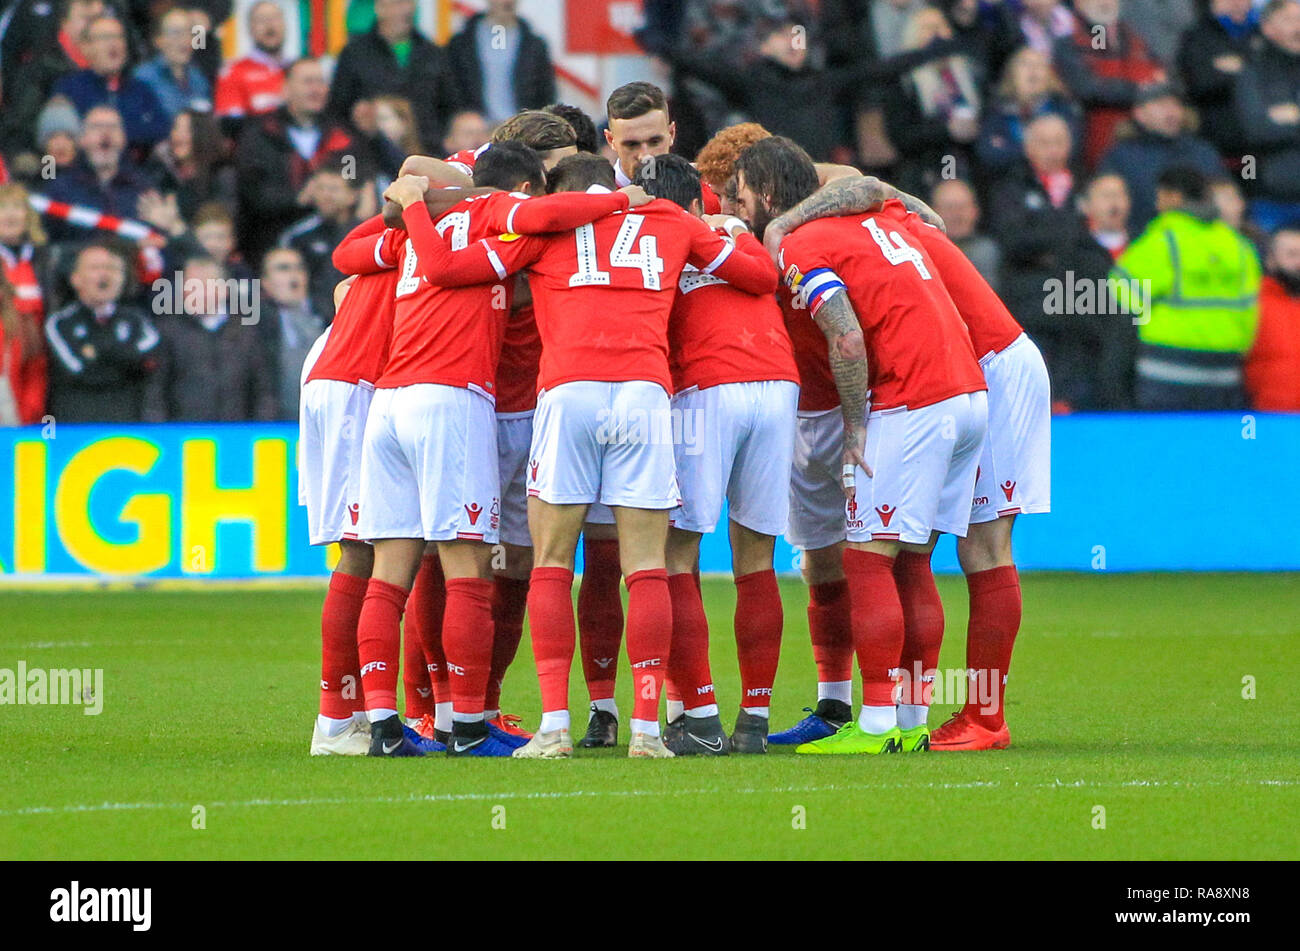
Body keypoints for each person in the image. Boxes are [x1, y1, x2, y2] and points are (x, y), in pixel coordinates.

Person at [408, 151, 779, 759]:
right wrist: (731, 228)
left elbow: (447, 270)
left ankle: (555, 727)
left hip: (570, 391)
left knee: (553, 562)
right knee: (646, 568)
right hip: (644, 392)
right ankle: (645, 731)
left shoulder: (546, 228)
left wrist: (416, 207)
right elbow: (759, 280)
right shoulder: (671, 221)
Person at [353, 148, 653, 758]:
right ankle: (467, 727)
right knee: (468, 573)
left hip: (388, 403)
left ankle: (382, 725)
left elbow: (349, 254)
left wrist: (409, 203)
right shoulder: (493, 210)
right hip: (452, 399)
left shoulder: (417, 231)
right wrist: (623, 200)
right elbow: (552, 216)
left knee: (388, 577)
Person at [761, 170, 1053, 751]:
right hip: (973, 365)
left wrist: (787, 224)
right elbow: (905, 203)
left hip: (983, 361)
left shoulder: (826, 235)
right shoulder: (885, 218)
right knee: (911, 556)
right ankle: (919, 717)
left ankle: (980, 718)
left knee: (976, 547)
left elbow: (864, 184)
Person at [736, 135, 987, 754]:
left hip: (913, 398)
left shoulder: (797, 245)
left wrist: (855, 427)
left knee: (865, 559)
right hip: (968, 392)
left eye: (741, 198)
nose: (738, 211)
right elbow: (867, 185)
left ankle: (873, 727)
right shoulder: (866, 218)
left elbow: (845, 338)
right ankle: (909, 719)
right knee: (911, 560)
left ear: (767, 197)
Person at [634, 153, 798, 755]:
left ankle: (700, 718)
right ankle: (754, 721)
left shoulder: (650, 243)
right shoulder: (733, 230)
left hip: (705, 389)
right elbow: (765, 279)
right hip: (778, 383)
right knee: (756, 555)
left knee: (677, 551)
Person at [1113, 166, 1261, 411]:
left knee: (1165, 446)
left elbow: (1120, 296)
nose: (1157, 204)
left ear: (1173, 197)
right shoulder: (1240, 247)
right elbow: (1250, 314)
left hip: (1166, 370)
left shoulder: (1164, 240)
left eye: (1159, 196)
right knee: (1216, 447)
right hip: (1225, 373)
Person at [235, 58, 357, 263]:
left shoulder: (341, 133)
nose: (316, 89)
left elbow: (353, 172)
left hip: (334, 241)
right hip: (271, 243)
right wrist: (298, 198)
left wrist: (344, 191)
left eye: (320, 82)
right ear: (286, 89)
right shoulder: (260, 135)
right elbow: (252, 192)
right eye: (308, 82)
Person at [141, 255, 276, 422]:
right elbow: (155, 391)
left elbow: (262, 390)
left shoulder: (246, 331)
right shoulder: (167, 331)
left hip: (238, 436)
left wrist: (262, 429)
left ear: (224, 290)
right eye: (189, 285)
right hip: (182, 437)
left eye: (204, 285)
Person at [44, 241, 158, 422]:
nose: (105, 274)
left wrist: (95, 351)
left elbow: (147, 365)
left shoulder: (138, 321)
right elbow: (78, 371)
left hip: (129, 425)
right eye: (95, 268)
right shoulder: (60, 323)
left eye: (112, 269)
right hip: (77, 427)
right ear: (75, 279)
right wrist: (122, 356)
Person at [327, 0, 457, 152]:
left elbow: (451, 106)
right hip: (371, 154)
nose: (405, 10)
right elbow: (337, 108)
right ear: (379, 8)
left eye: (408, 3)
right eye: (396, 3)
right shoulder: (355, 53)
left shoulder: (434, 54)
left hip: (427, 151)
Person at [1096, 82, 1224, 233]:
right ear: (1140, 114)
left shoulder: (1203, 152)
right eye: (1162, 104)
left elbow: (1223, 195)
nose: (1171, 111)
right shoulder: (1120, 157)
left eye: (1176, 105)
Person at [1052, 0, 1163, 169]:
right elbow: (1092, 89)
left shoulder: (1134, 36)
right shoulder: (1072, 42)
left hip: (1144, 139)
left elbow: (1162, 76)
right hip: (1097, 141)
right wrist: (1142, 90)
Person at [41, 104, 157, 242]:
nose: (105, 134)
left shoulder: (143, 187)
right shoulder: (59, 189)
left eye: (113, 127)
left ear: (124, 138)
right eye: (97, 127)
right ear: (82, 139)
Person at [52, 13, 169, 149]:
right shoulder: (69, 89)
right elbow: (62, 137)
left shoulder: (141, 89)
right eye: (105, 38)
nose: (114, 43)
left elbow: (162, 129)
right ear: (86, 47)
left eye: (119, 37)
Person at [1234, 0, 1300, 230]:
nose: (1299, 27)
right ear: (1268, 28)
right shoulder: (1253, 73)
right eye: (1290, 20)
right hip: (1271, 199)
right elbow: (1255, 131)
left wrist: (1292, 118)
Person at [446, 0, 556, 124]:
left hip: (521, 130)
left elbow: (546, 92)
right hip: (476, 132)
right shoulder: (461, 43)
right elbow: (451, 89)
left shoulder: (534, 45)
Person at [277, 167, 363, 320]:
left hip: (357, 315)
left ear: (352, 195)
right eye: (320, 188)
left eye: (333, 189)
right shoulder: (298, 236)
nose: (326, 195)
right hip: (311, 320)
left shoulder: (368, 235)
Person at [1176, 0, 1259, 157]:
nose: (1237, 4)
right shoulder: (1196, 36)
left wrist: (1239, 69)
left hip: (1258, 141)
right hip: (1218, 138)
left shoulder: (1261, 33)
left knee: (1253, 175)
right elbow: (1201, 82)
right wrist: (1248, 70)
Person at [258, 247, 324, 420]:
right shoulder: (254, 323)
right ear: (265, 282)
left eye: (299, 268)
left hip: (322, 418)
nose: (293, 275)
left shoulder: (329, 314)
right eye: (283, 268)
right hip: (275, 422)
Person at [1245, 227, 1300, 410]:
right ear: (1271, 261)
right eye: (1291, 254)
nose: (1298, 262)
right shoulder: (1252, 301)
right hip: (1266, 415)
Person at [213, 0, 287, 132]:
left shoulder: (297, 70)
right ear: (250, 28)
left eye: (275, 18)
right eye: (262, 20)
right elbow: (230, 127)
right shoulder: (233, 72)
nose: (270, 25)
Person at [130, 6, 212, 123]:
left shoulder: (198, 78)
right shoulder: (143, 78)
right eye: (176, 33)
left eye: (189, 32)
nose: (185, 39)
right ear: (158, 40)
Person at [928, 178, 1001, 290]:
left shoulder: (988, 253)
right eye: (949, 208)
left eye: (962, 208)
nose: (957, 215)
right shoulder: (923, 254)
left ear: (975, 211)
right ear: (933, 211)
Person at [1083, 172, 1133, 259]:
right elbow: (1069, 273)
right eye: (1106, 196)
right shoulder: (1075, 248)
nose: (1114, 203)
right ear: (1088, 205)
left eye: (1119, 195)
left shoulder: (1141, 243)